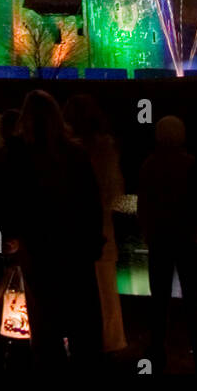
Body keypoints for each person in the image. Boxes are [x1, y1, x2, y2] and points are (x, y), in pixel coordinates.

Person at [3, 90, 104, 367]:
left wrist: (10, 236)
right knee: (81, 321)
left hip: (39, 248)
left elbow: (10, 201)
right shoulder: (75, 154)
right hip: (75, 247)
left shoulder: (19, 155)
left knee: (46, 324)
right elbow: (91, 202)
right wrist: (94, 241)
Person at [138, 114, 197, 375]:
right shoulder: (190, 164)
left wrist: (148, 232)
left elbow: (144, 206)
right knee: (193, 301)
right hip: (186, 239)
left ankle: (156, 354)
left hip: (160, 239)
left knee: (158, 301)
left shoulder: (150, 165)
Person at [63, 94, 127, 353]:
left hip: (72, 230)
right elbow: (115, 192)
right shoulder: (105, 148)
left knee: (77, 291)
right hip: (102, 228)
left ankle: (80, 343)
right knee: (106, 290)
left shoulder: (66, 150)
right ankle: (109, 342)